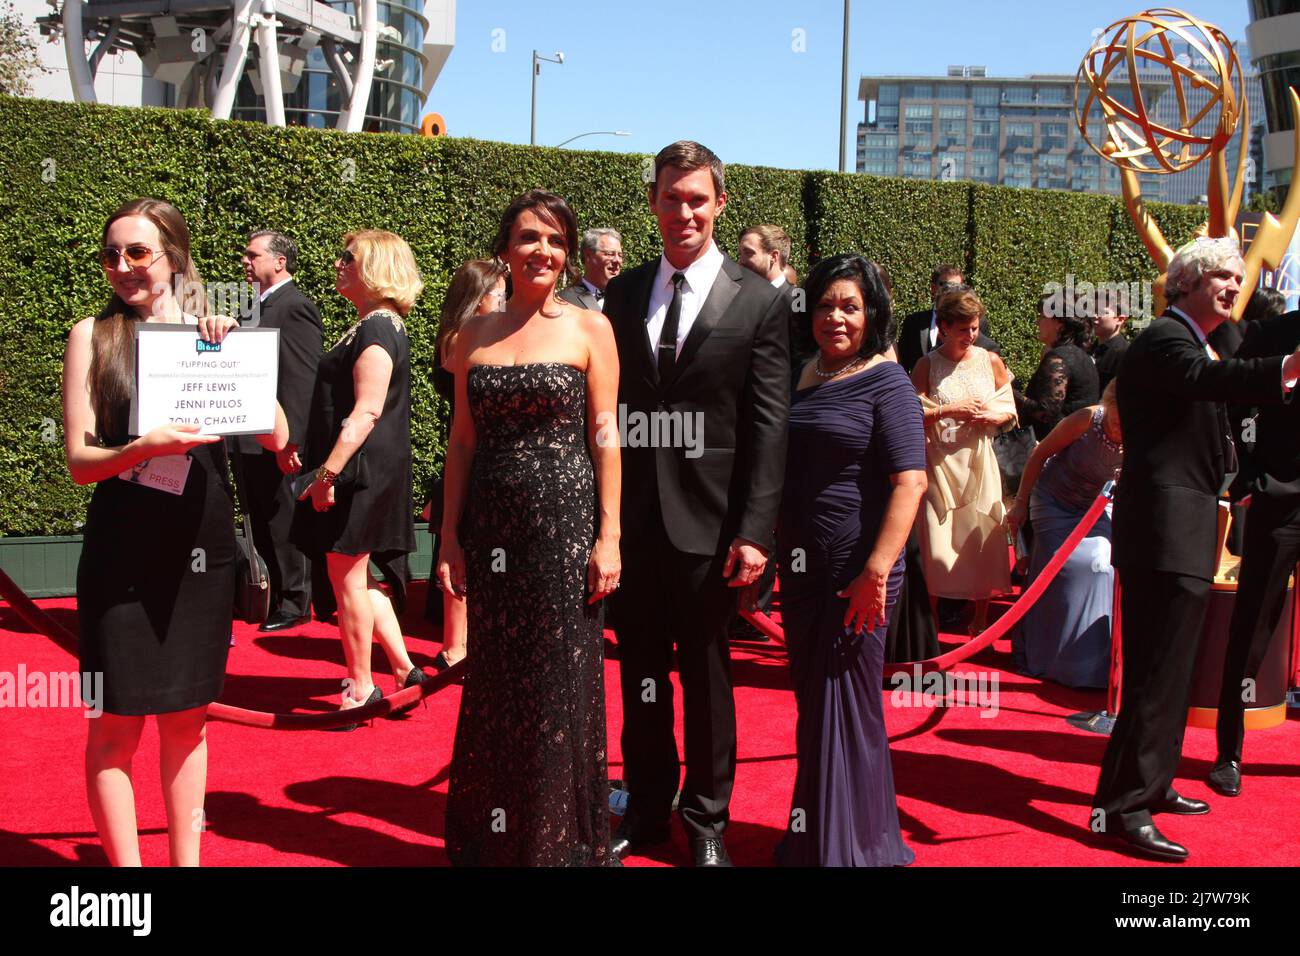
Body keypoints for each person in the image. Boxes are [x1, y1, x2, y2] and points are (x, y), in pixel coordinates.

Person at [65, 197, 288, 866]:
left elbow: (277, 434)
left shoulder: (210, 332)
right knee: (113, 730)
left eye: (138, 252)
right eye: (111, 254)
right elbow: (80, 463)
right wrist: (140, 447)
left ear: (173, 258)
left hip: (202, 551)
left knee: (188, 726)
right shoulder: (91, 336)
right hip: (121, 554)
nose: (123, 266)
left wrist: (233, 350)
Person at [604, 141, 790, 867]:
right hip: (634, 526)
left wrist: (755, 531)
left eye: (698, 199)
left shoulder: (762, 300)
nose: (684, 211)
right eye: (671, 197)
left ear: (718, 205)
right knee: (641, 674)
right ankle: (649, 808)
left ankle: (708, 819)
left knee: (709, 681)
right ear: (653, 201)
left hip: (714, 532)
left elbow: (770, 427)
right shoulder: (621, 295)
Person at [1091, 237, 1300, 862]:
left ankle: (1148, 789)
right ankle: (1123, 809)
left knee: (1173, 673)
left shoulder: (1194, 339)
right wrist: (1287, 367)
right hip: (1162, 526)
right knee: (1156, 677)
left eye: (1240, 279)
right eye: (1221, 276)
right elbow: (1210, 379)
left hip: (1182, 525)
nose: (1235, 286)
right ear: (1184, 281)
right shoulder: (1164, 339)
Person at [437, 191, 621, 866]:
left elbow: (606, 438)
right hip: (491, 526)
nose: (544, 251)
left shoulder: (589, 328)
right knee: (495, 680)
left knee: (555, 681)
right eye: (529, 238)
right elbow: (460, 442)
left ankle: (555, 842)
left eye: (556, 240)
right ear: (505, 251)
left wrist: (610, 537)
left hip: (563, 527)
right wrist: (451, 537)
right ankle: (495, 836)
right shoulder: (473, 336)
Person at [775, 254, 926, 866]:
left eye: (849, 306)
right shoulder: (803, 374)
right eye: (824, 305)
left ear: (873, 314)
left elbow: (910, 482)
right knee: (815, 704)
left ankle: (855, 849)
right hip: (804, 567)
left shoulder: (888, 381)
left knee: (850, 704)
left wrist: (876, 571)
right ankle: (821, 837)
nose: (834, 317)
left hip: (858, 570)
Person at [292, 230, 428, 726]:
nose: (337, 263)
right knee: (358, 573)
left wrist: (327, 473)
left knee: (344, 575)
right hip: (369, 468)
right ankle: (405, 669)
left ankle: (360, 687)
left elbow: (366, 411)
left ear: (374, 267)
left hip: (360, 471)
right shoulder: (373, 324)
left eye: (348, 257)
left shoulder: (377, 328)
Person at [1209, 305, 1300, 798]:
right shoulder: (1274, 333)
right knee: (1252, 628)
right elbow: (1236, 399)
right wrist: (1250, 471)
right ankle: (1230, 751)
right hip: (1281, 498)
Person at [236, 230, 327, 632]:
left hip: (277, 440)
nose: (245, 262)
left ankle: (296, 601)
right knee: (262, 517)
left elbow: (302, 379)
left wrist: (291, 441)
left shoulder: (296, 307)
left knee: (283, 520)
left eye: (252, 255)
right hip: (248, 437)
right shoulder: (252, 307)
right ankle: (277, 598)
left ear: (280, 261)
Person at [912, 288, 1016, 635]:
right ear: (943, 327)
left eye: (974, 328)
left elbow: (1009, 409)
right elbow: (910, 413)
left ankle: (980, 622)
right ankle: (928, 626)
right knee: (935, 541)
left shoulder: (991, 361)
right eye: (963, 329)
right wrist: (947, 410)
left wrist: (991, 416)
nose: (971, 336)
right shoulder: (927, 364)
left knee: (980, 537)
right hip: (939, 464)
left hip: (980, 461)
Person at [1008, 382, 1123, 688]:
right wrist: (1019, 505)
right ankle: (1046, 655)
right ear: (1107, 405)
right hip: (1052, 502)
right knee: (1060, 569)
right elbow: (1039, 453)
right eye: (1115, 418)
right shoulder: (1087, 419)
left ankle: (1089, 662)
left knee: (1103, 565)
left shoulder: (1141, 437)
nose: (1118, 427)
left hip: (1094, 509)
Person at [420, 260, 506, 668]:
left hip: (476, 450)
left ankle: (466, 643)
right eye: (499, 294)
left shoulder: (465, 336)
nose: (505, 301)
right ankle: (455, 648)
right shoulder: (462, 340)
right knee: (462, 549)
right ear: (479, 297)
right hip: (472, 452)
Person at [1015, 295, 1100, 441]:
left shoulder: (1059, 359)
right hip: (1078, 446)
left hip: (1059, 453)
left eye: (1042, 317)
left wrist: (1010, 393)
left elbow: (1046, 413)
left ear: (1059, 324)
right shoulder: (1080, 355)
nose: (1037, 322)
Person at [896, 265, 999, 374]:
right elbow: (902, 363)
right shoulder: (913, 322)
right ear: (933, 288)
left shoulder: (977, 322)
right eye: (944, 284)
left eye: (956, 286)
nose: (950, 290)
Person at [559, 227, 622, 311]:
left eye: (620, 255)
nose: (617, 260)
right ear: (588, 256)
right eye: (610, 254)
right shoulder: (565, 299)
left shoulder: (627, 298)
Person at [1089, 289, 1129, 392]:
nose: (1094, 316)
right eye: (1093, 311)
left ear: (1120, 319)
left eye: (1100, 312)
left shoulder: (1125, 354)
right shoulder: (1087, 349)